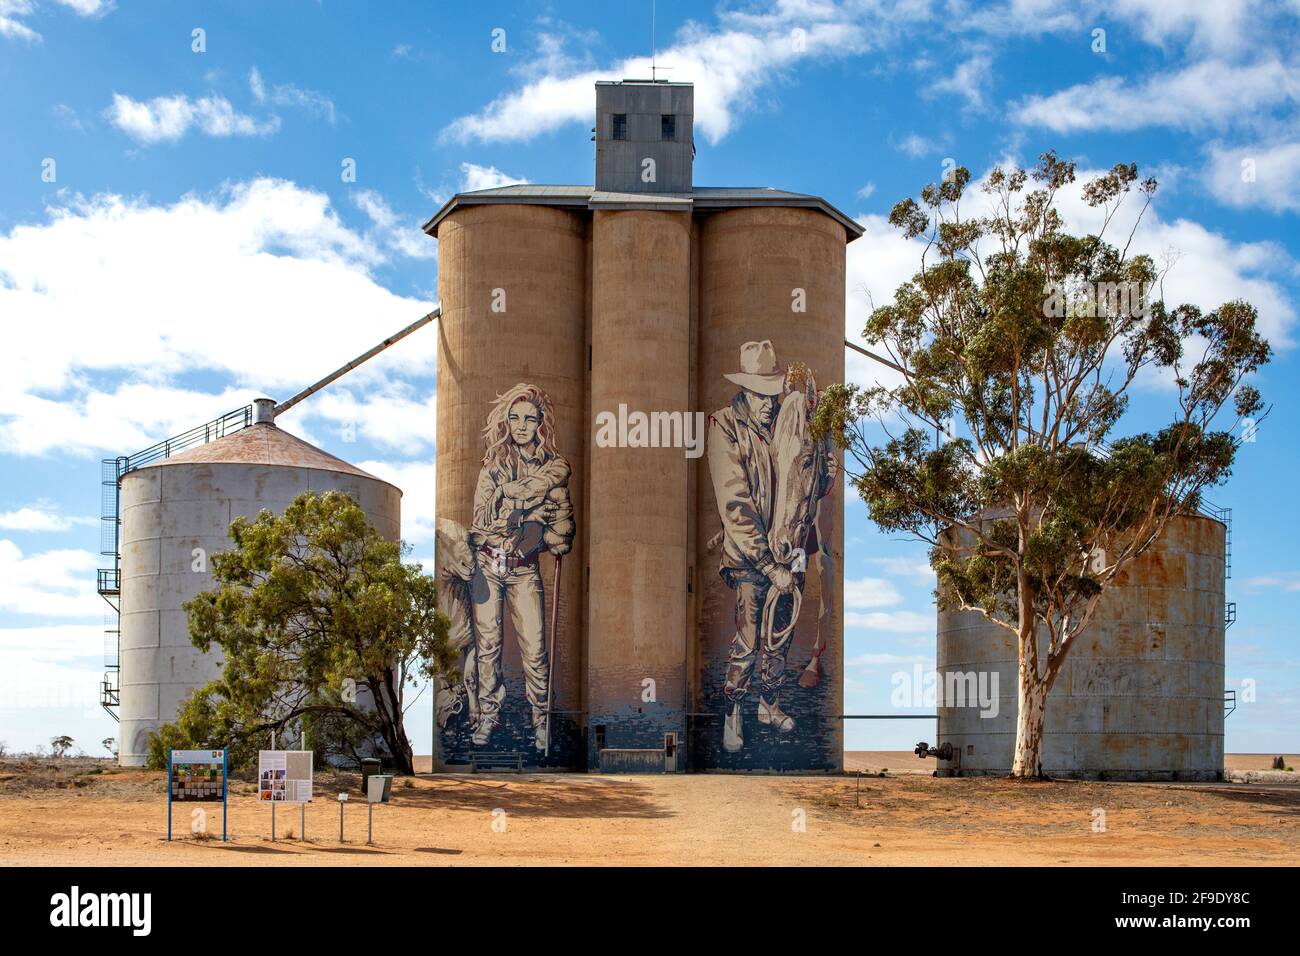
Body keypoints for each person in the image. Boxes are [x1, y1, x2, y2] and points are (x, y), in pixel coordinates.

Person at [467, 383, 574, 750]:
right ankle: (488, 716)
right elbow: (481, 523)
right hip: (488, 565)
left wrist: (555, 530)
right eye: (515, 418)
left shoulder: (552, 465)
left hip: (525, 568)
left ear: (541, 423)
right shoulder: (492, 467)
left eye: (530, 419)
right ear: (506, 422)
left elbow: (560, 520)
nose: (522, 426)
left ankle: (541, 720)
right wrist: (527, 513)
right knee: (488, 648)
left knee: (535, 649)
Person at [707, 340, 798, 753]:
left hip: (786, 550)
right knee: (748, 637)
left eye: (773, 394)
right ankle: (734, 709)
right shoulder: (724, 425)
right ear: (744, 391)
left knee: (780, 635)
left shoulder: (786, 423)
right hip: (748, 557)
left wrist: (825, 475)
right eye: (760, 394)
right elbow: (735, 503)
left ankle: (769, 704)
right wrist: (767, 563)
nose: (768, 403)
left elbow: (798, 483)